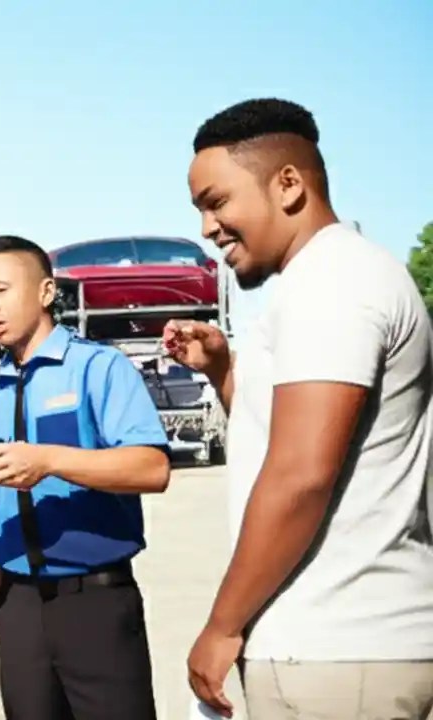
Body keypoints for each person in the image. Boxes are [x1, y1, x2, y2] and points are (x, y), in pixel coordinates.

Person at [168, 97, 433, 719]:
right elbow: (286, 443)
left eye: (217, 201)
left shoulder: (333, 282)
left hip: (338, 653)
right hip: (337, 653)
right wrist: (225, 372)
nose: (208, 228)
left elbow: (300, 475)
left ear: (288, 184)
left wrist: (222, 625)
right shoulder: (327, 281)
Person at [0, 235, 172, 720]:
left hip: (93, 603)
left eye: (0, 289)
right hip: (18, 607)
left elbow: (152, 467)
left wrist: (50, 460)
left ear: (45, 292)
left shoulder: (98, 368)